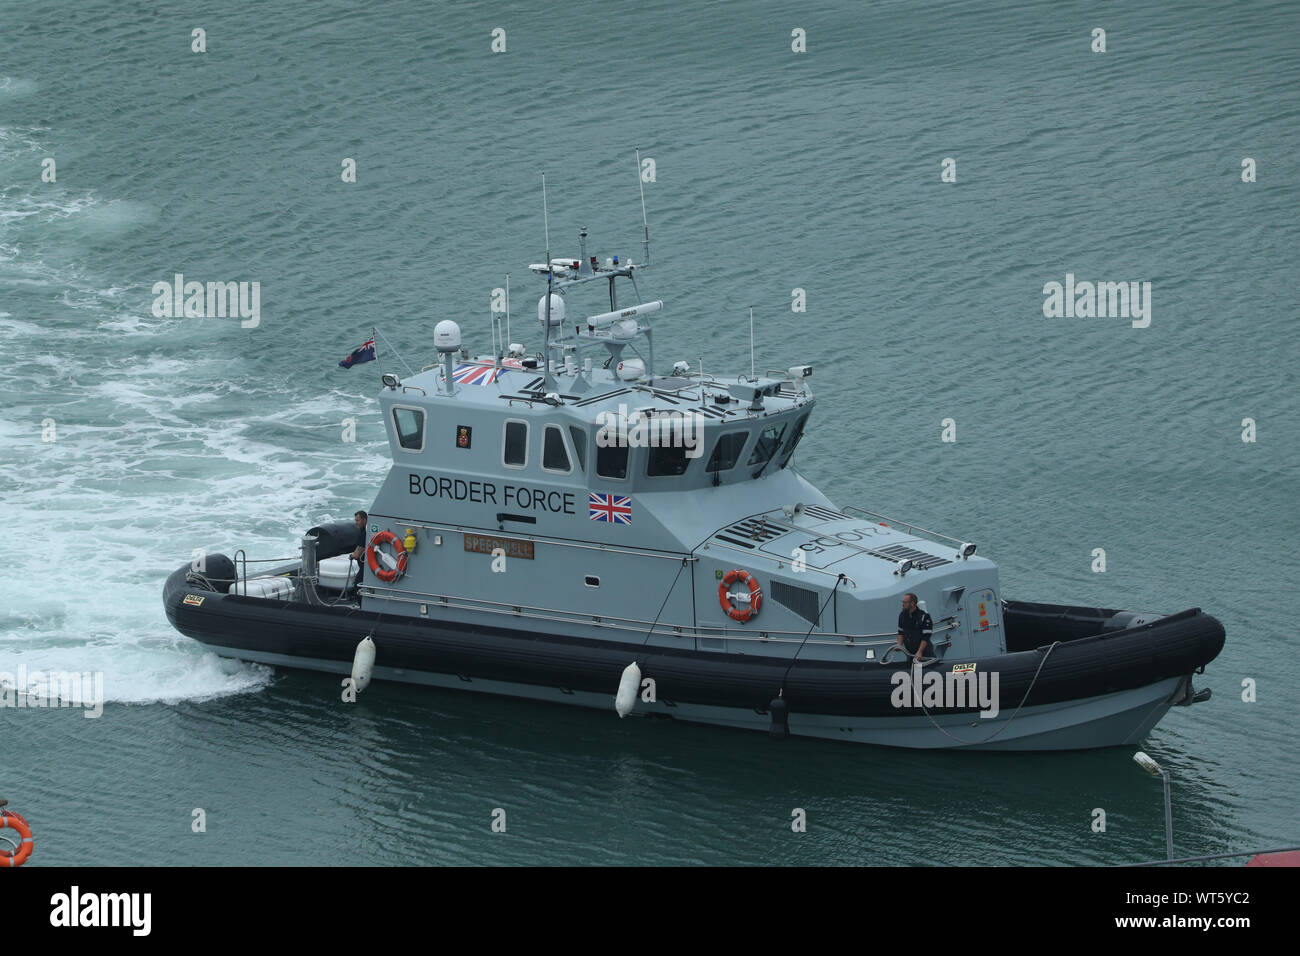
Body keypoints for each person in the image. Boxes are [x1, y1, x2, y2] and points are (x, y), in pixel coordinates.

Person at [896, 591, 933, 660]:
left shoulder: (924, 616)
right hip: (910, 653)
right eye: (902, 602)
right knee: (912, 669)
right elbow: (901, 632)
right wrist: (899, 645)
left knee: (920, 669)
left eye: (905, 602)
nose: (903, 604)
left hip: (924, 653)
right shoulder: (902, 616)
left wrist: (920, 651)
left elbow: (926, 636)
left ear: (912, 603)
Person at [349, 511, 368, 591]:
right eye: (355, 520)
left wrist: (351, 556)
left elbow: (357, 555)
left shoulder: (364, 534)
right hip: (365, 567)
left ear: (364, 520)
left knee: (357, 587)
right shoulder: (364, 532)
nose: (356, 523)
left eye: (358, 520)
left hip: (365, 568)